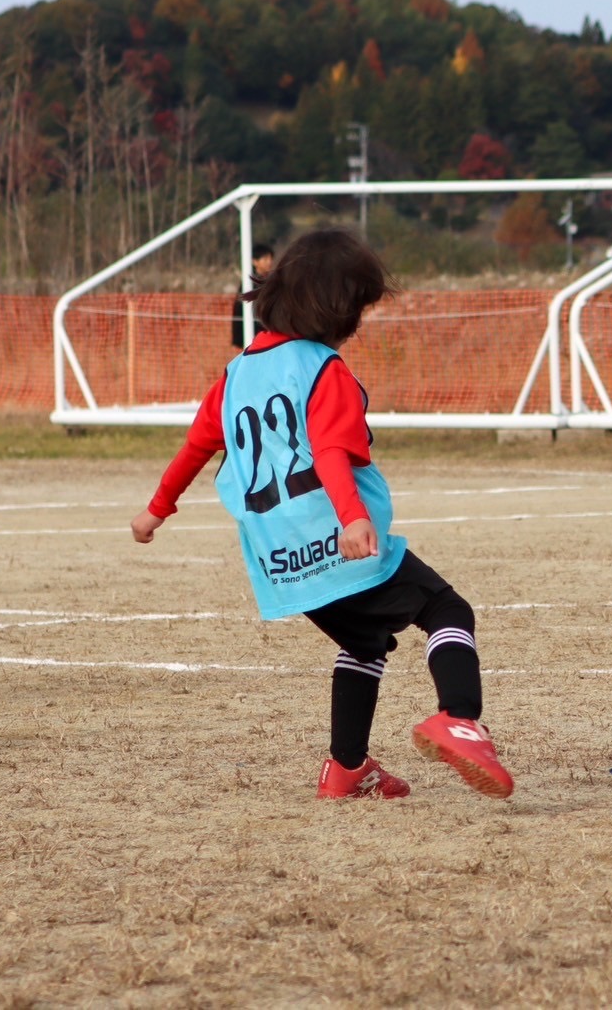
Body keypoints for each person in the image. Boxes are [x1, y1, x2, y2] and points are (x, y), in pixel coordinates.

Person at [133, 229, 515, 801]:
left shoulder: (235, 376)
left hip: (282, 558)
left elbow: (195, 448)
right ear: (339, 308)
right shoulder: (321, 369)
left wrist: (154, 510)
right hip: (338, 540)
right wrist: (353, 518)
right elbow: (331, 451)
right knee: (444, 607)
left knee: (363, 643)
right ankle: (459, 716)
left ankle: (347, 769)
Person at [230, 243, 275, 349]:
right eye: (265, 259)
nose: (269, 262)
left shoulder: (268, 281)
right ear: (254, 261)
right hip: (254, 334)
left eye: (270, 258)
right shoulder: (249, 284)